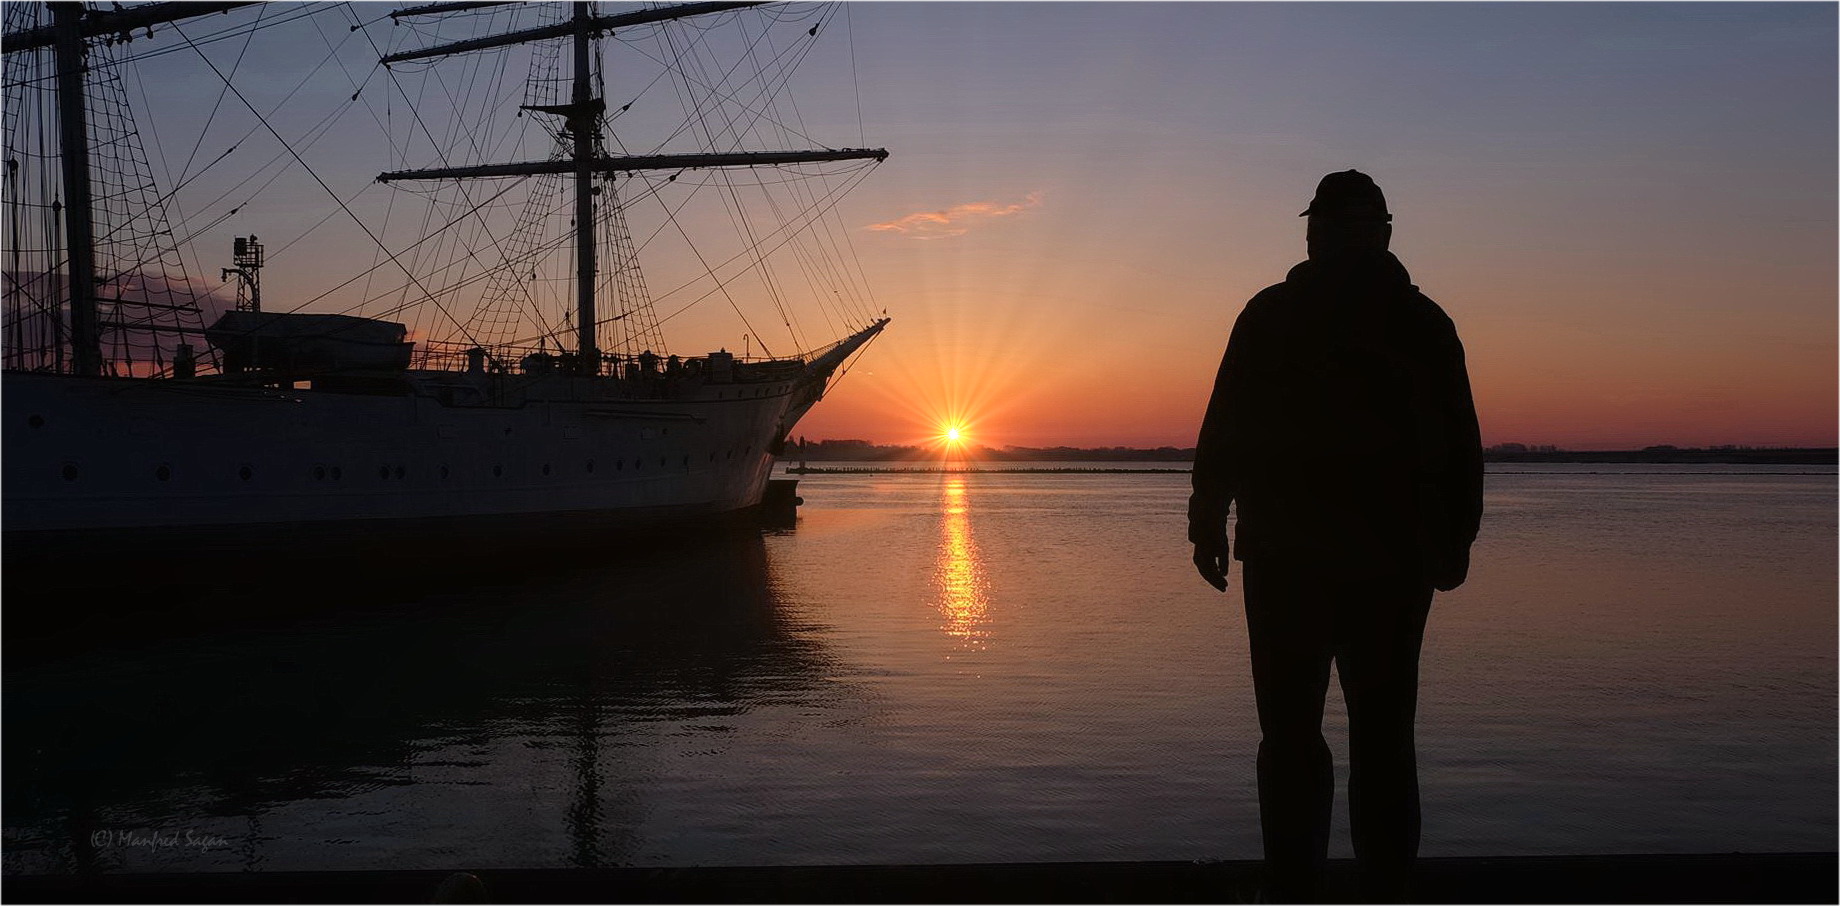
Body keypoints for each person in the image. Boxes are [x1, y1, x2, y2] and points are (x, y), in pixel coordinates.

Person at [1188, 170, 1483, 902]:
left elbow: (1457, 444)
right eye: (1338, 227)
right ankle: (1358, 886)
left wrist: (1208, 518)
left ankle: (1313, 886)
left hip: (1326, 558)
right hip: (1350, 558)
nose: (1342, 239)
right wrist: (1207, 516)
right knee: (1367, 738)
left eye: (1348, 227)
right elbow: (1226, 426)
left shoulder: (1397, 323)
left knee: (1309, 740)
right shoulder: (1401, 321)